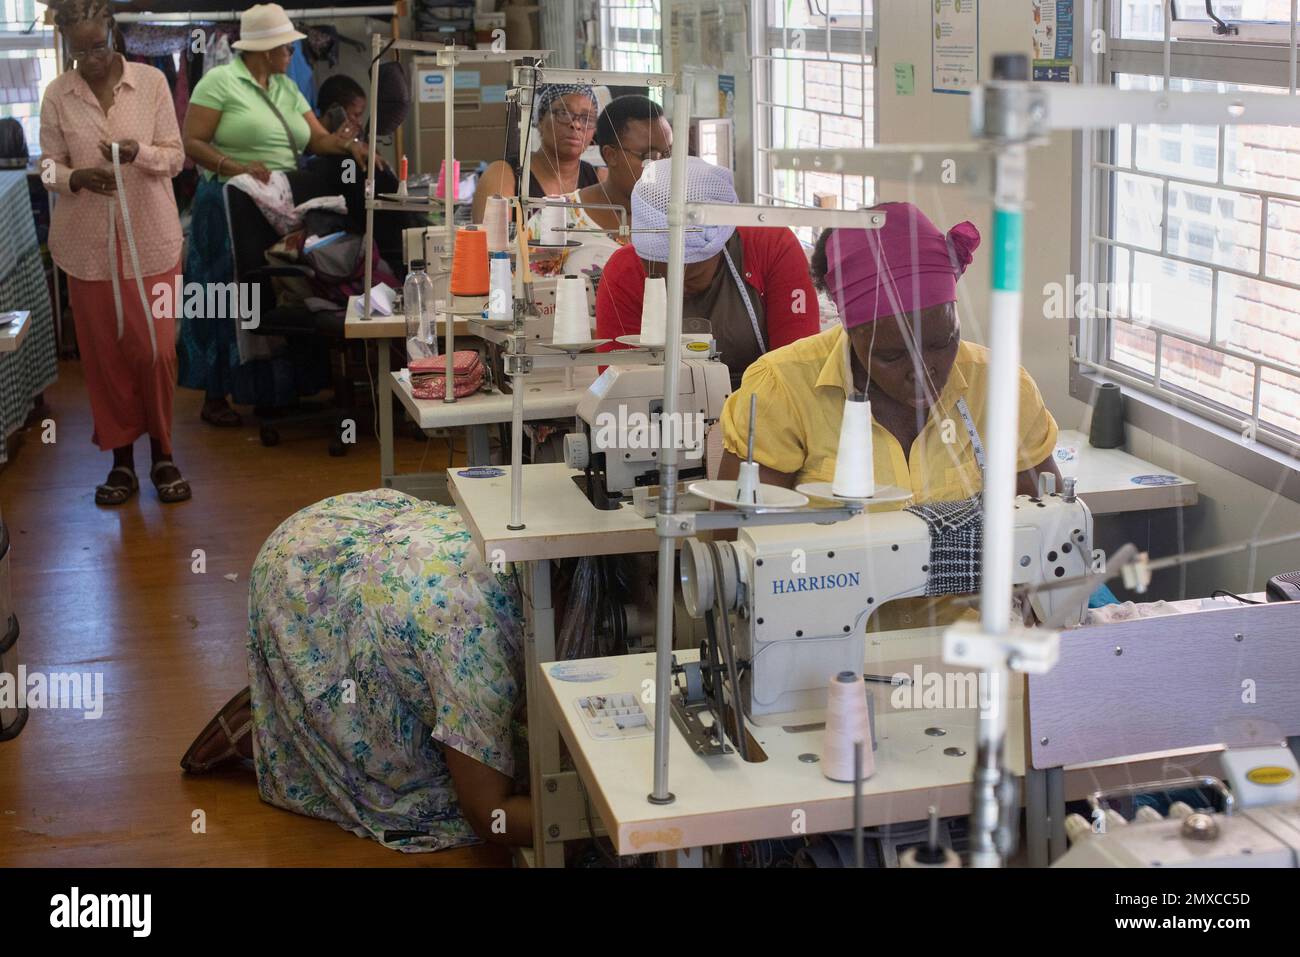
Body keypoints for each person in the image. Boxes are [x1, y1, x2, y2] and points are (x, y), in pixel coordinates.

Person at [719, 201, 1062, 631]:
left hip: (970, 640)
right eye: (891, 354)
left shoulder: (1001, 388)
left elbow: (1051, 536)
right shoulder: (783, 389)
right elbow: (732, 551)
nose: (923, 371)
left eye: (943, 342)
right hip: (824, 640)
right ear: (850, 331)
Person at [180, 489, 532, 850]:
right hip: (303, 578)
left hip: (342, 528)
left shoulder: (526, 554)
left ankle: (287, 713)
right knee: (436, 797)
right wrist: (588, 826)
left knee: (502, 741)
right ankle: (288, 728)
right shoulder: (475, 641)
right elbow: (491, 815)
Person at [177, 3, 375, 428]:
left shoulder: (286, 87)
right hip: (228, 202)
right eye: (287, 47)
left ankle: (273, 392)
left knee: (274, 292)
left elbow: (318, 142)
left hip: (279, 201)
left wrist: (349, 147)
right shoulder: (220, 82)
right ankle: (215, 395)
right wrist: (235, 165)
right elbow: (191, 142)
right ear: (265, 50)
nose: (292, 54)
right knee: (224, 298)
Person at [40, 0, 190, 505]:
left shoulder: (150, 84)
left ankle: (164, 453)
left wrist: (136, 154)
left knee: (157, 351)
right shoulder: (57, 94)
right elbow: (44, 169)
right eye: (79, 51)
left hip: (153, 240)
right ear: (67, 45)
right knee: (105, 359)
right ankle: (121, 463)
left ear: (114, 33)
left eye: (99, 46)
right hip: (85, 249)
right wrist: (75, 178)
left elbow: (175, 157)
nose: (92, 59)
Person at [596, 156, 820, 388]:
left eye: (688, 277)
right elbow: (618, 384)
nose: (673, 288)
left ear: (718, 247)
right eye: (658, 278)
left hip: (764, 407)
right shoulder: (623, 272)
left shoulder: (773, 247)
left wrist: (737, 417)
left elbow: (797, 371)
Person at [525, 95, 670, 283]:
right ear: (611, 155)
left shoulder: (678, 217)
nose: (661, 166)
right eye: (648, 156)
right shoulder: (559, 219)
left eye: (667, 154)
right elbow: (529, 297)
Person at [471, 84, 602, 223]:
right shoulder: (502, 175)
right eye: (563, 113)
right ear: (539, 120)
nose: (576, 125)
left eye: (587, 118)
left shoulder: (599, 178)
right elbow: (491, 240)